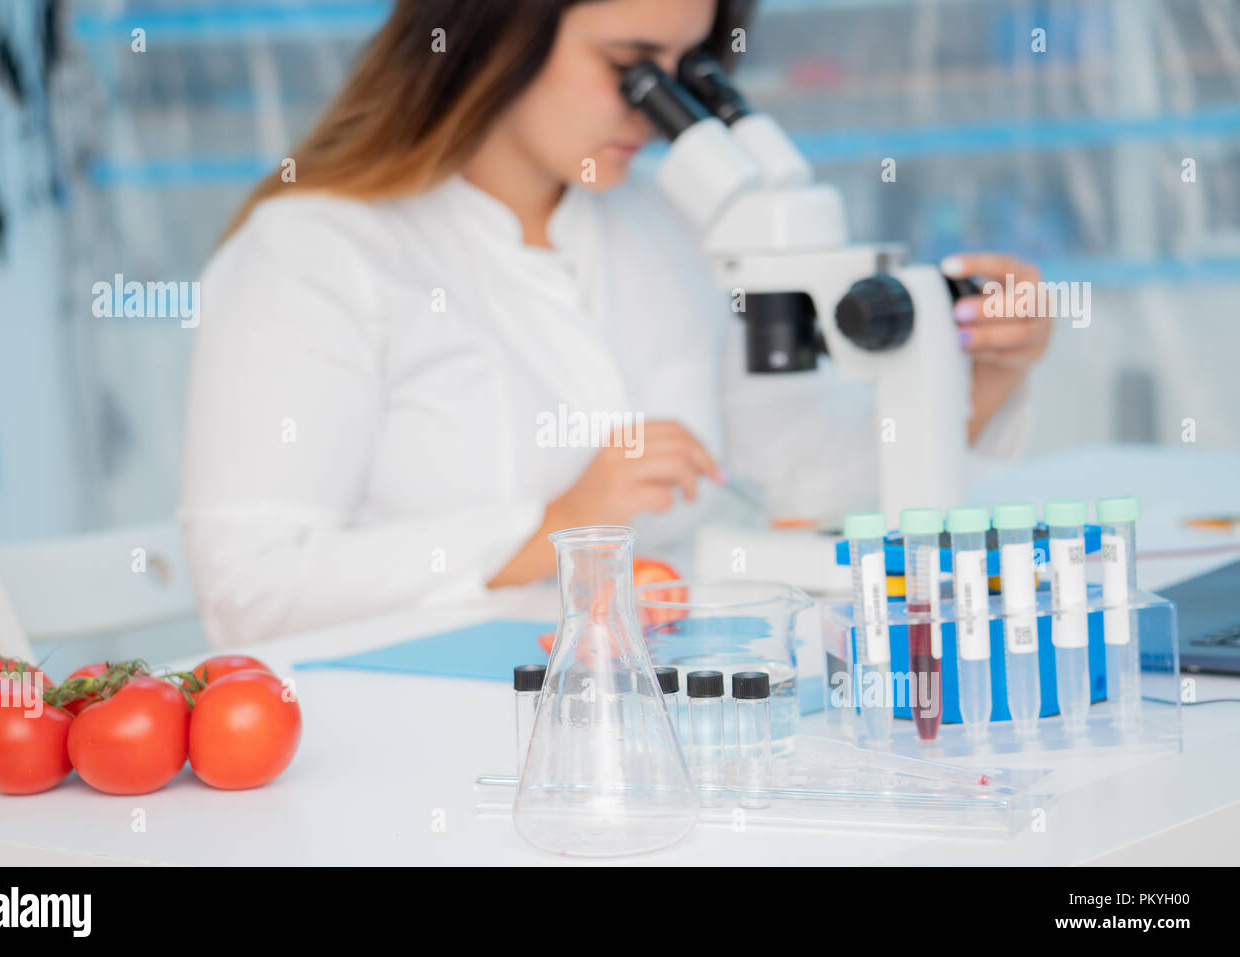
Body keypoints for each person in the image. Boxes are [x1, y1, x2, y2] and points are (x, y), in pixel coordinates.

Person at [179, 0, 1051, 647]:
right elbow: (249, 589)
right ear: (497, 32)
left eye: (682, 74)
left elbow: (800, 477)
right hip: (409, 742)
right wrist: (556, 525)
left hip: (647, 704)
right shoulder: (313, 253)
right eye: (629, 65)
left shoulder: (663, 229)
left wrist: (972, 374)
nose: (654, 106)